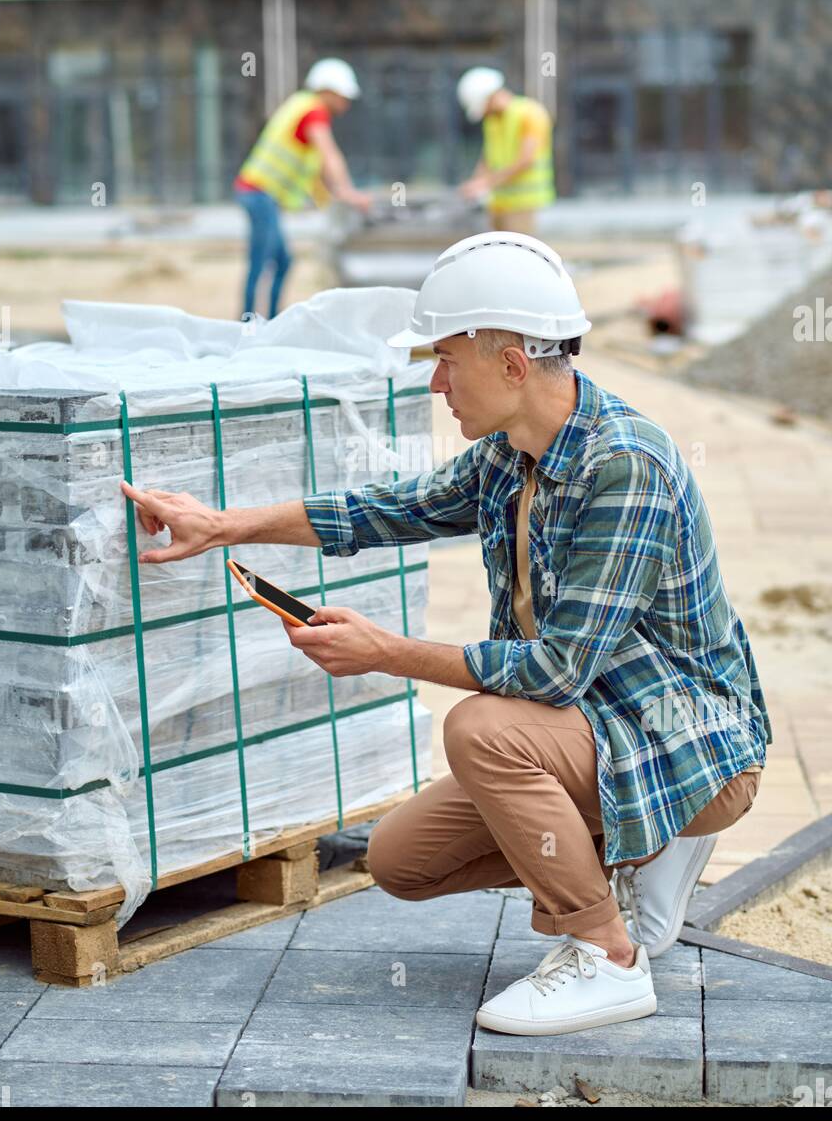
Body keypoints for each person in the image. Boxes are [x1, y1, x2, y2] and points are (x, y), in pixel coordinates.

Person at [118, 231, 770, 1039]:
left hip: (688, 742)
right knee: (403, 862)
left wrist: (385, 655)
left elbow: (555, 672)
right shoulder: (512, 453)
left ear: (511, 364)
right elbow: (384, 511)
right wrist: (222, 526)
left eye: (447, 359)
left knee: (485, 731)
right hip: (600, 730)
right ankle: (638, 848)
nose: (435, 382)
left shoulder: (624, 466)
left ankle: (607, 958)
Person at [233, 57, 372, 320]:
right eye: (344, 96)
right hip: (258, 193)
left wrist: (332, 197)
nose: (346, 103)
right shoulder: (313, 111)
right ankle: (250, 322)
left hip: (260, 194)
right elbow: (329, 155)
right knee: (264, 260)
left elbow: (315, 169)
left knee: (279, 261)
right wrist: (349, 192)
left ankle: (266, 319)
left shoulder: (302, 107)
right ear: (328, 90)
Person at [456, 67, 555, 236]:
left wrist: (485, 183)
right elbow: (488, 156)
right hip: (498, 202)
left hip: (524, 204)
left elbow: (526, 160)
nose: (485, 113)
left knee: (520, 256)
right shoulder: (493, 120)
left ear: (490, 97)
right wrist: (476, 182)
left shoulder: (530, 114)